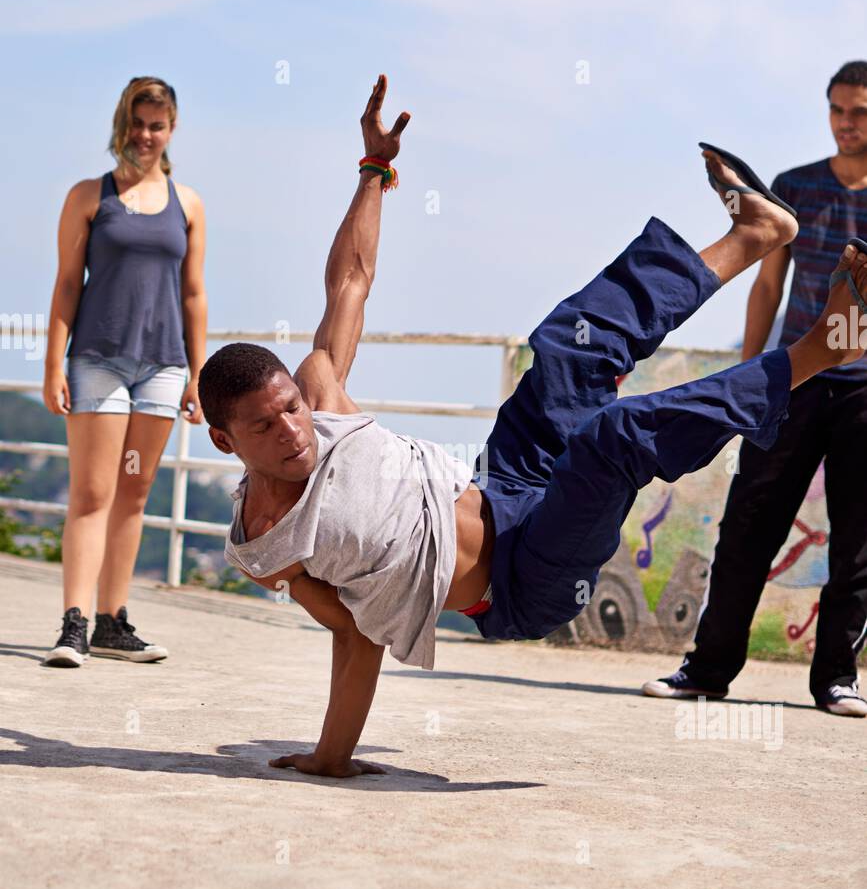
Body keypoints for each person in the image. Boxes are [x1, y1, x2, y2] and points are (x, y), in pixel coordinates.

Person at [197, 76, 867, 778]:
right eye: (265, 427)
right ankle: (823, 348)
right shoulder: (268, 543)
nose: (293, 431)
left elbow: (351, 281)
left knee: (569, 349)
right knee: (613, 440)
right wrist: (331, 758)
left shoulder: (320, 397)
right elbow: (357, 634)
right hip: (521, 584)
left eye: (291, 410)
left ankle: (753, 233)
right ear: (225, 441)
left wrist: (373, 171)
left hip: (506, 483)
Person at [643, 61, 867, 717]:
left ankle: (836, 680)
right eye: (836, 110)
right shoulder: (794, 187)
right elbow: (767, 286)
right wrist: (751, 381)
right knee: (744, 529)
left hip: (863, 389)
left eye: (858, 112)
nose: (846, 123)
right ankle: (707, 669)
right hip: (792, 378)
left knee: (856, 543)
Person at [41, 76, 207, 667]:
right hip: (99, 360)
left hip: (162, 367)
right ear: (122, 123)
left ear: (171, 129)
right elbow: (66, 285)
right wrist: (52, 363)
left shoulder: (187, 204)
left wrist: (196, 372)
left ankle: (113, 621)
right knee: (92, 493)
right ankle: (74, 624)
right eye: (137, 123)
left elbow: (192, 295)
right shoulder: (90, 196)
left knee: (134, 493)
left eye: (156, 125)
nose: (145, 135)